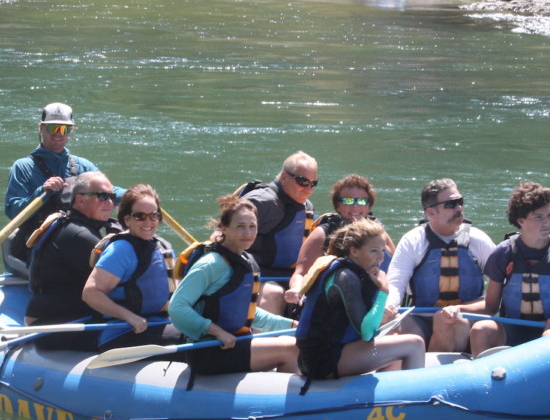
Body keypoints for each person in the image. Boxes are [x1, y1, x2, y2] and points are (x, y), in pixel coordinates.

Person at [167, 195, 299, 375]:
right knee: (291, 347)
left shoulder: (245, 260)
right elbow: (177, 307)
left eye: (252, 227)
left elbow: (249, 313)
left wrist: (293, 325)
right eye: (240, 227)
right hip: (210, 349)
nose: (248, 233)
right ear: (224, 228)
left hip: (236, 343)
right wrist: (217, 332)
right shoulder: (211, 265)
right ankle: (292, 400)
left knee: (297, 339)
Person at [295, 219, 425, 381]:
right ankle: (415, 402)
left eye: (383, 251)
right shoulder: (346, 277)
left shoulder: (357, 272)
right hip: (321, 361)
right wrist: (384, 291)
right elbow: (367, 332)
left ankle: (388, 401)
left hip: (335, 351)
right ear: (354, 251)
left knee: (396, 348)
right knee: (415, 344)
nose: (380, 258)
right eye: (374, 251)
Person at [472, 181, 550, 348]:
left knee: (549, 336)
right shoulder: (503, 253)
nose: (546, 223)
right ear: (521, 220)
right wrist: (456, 310)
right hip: (512, 329)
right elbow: (491, 306)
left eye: (549, 215)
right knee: (481, 329)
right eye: (538, 217)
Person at [385, 179, 500, 355]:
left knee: (444, 321)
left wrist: (467, 308)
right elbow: (395, 283)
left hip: (466, 319)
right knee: (390, 326)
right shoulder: (413, 241)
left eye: (460, 202)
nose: (459, 208)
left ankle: (428, 373)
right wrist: (390, 306)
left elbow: (499, 285)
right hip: (422, 318)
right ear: (431, 212)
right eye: (451, 204)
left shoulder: (478, 240)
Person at [81, 184, 181, 352]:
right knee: (192, 338)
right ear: (127, 220)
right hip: (124, 332)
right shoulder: (121, 250)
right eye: (140, 216)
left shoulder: (163, 246)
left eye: (154, 215)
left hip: (162, 323)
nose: (148, 222)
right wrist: (129, 317)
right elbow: (90, 293)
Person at [24, 171, 119, 335]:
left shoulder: (75, 226)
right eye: (102, 196)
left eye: (112, 196)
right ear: (80, 200)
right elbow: (121, 282)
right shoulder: (78, 236)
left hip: (67, 315)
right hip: (54, 324)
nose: (110, 202)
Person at [283, 174, 395, 307]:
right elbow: (300, 273)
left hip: (378, 301)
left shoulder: (380, 234)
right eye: (348, 201)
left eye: (361, 201)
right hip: (334, 304)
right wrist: (296, 288)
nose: (355, 207)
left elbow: (396, 271)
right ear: (338, 206)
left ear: (369, 205)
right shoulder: (322, 234)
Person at [240, 151, 318, 314]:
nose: (309, 189)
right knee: (274, 294)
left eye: (313, 183)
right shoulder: (260, 202)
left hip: (291, 275)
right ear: (284, 177)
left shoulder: (306, 207)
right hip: (252, 273)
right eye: (303, 181)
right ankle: (267, 339)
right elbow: (222, 237)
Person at [4, 102, 103, 221]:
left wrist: (130, 195)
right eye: (52, 127)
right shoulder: (23, 167)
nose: (57, 133)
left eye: (63, 129)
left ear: (70, 131)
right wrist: (41, 192)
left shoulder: (84, 166)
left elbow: (109, 190)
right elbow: (13, 212)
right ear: (41, 128)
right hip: (40, 234)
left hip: (78, 231)